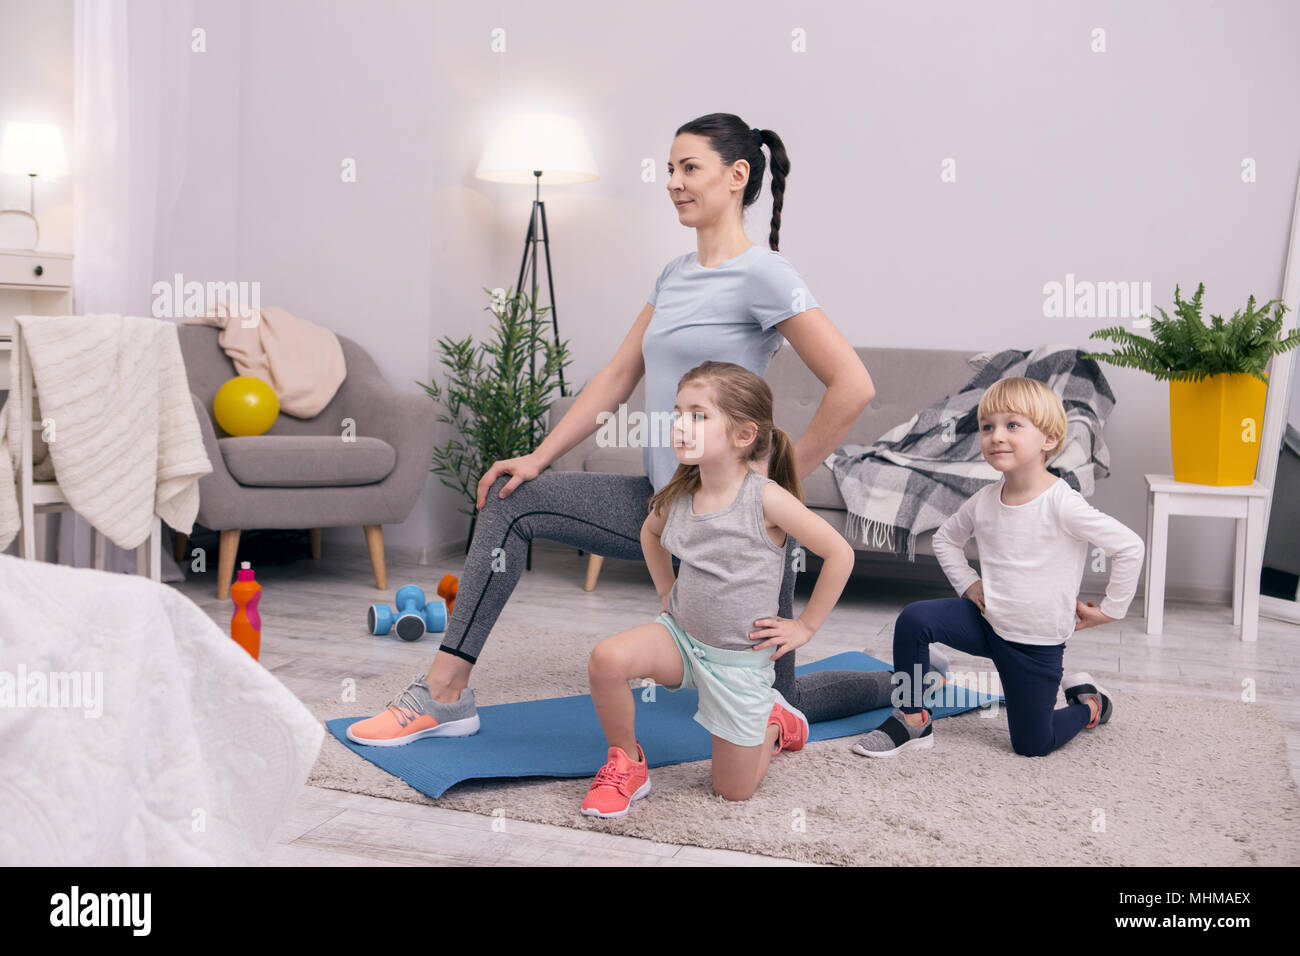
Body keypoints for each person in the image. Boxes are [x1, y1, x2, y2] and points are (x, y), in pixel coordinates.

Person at [347, 112, 946, 748]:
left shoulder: (766, 273)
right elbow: (615, 377)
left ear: (737, 176)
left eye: (689, 167)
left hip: (734, 534)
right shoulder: (673, 274)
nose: (673, 182)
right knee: (511, 501)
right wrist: (537, 456)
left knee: (781, 701)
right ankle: (444, 695)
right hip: (661, 505)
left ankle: (908, 684)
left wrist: (770, 483)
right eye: (669, 169)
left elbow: (853, 385)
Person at [581, 362, 856, 816]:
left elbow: (839, 553)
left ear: (743, 434)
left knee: (733, 792)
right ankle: (627, 763)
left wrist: (805, 627)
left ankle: (775, 721)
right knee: (606, 659)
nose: (680, 426)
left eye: (698, 415)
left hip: (737, 663)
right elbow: (650, 535)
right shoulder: (679, 495)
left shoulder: (765, 498)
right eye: (677, 413)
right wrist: (666, 589)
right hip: (682, 638)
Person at [851, 377, 1144, 759]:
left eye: (1013, 425)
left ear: (1049, 439)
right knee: (914, 620)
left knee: (1032, 745)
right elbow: (945, 539)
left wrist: (1110, 610)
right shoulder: (984, 500)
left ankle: (1091, 706)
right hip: (987, 623)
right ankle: (913, 717)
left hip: (1034, 646)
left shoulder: (1062, 503)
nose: (996, 436)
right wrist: (969, 584)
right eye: (988, 427)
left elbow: (1129, 546)